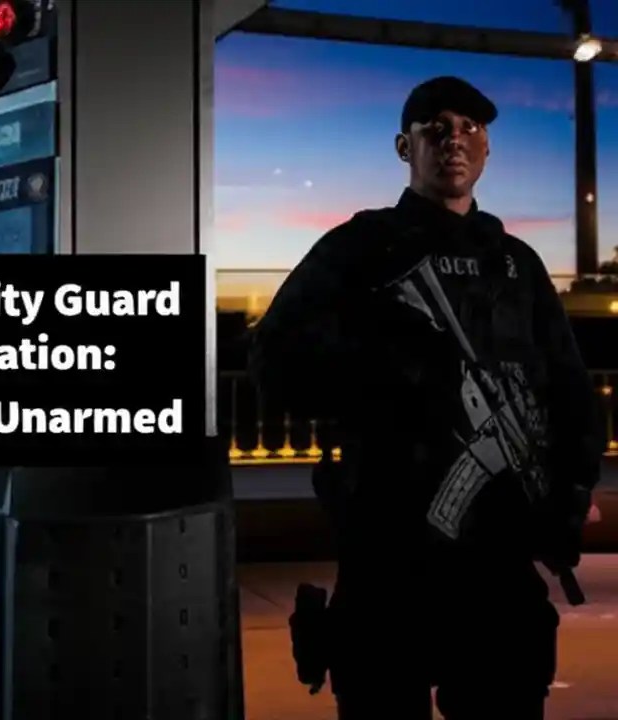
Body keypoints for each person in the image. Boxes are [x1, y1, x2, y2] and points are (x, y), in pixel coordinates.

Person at [249, 76, 603, 719]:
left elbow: (569, 391)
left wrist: (571, 498)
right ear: (402, 146)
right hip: (388, 559)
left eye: (470, 128)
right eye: (435, 128)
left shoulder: (516, 265)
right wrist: (382, 370)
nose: (454, 141)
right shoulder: (361, 248)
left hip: (499, 567)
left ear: (489, 149)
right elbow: (274, 359)